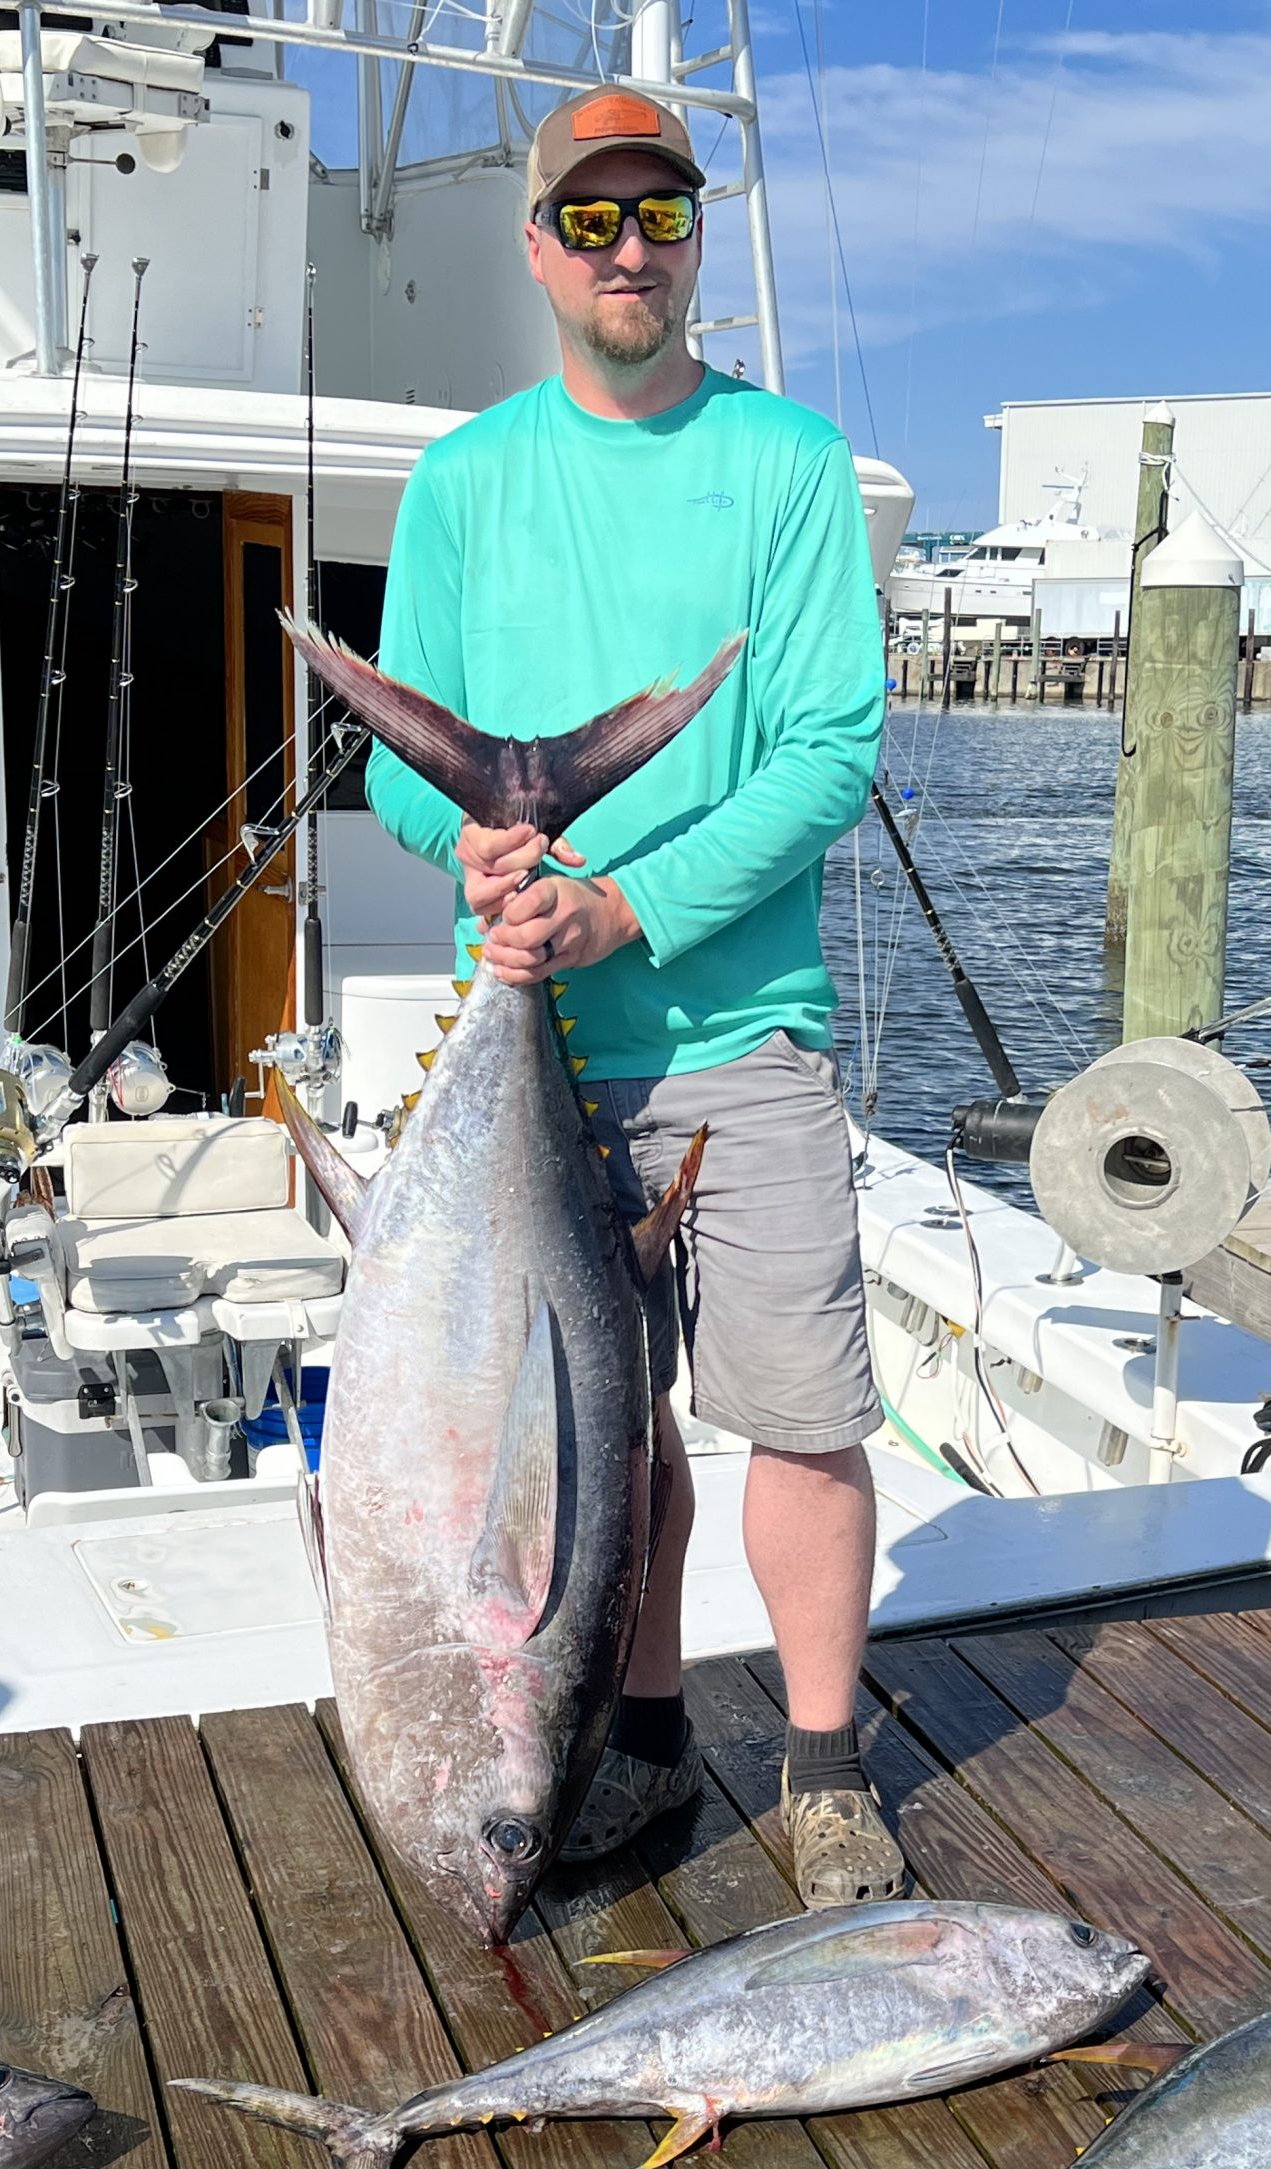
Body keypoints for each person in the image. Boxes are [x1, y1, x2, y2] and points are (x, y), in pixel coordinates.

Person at [364, 82, 905, 1909]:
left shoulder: (791, 466)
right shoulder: (463, 481)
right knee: (605, 1432)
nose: (628, 250)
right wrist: (475, 848)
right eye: (589, 219)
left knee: (804, 1410)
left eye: (658, 214)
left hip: (739, 1035)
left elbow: (828, 750)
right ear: (537, 247)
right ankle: (651, 1736)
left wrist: (628, 906)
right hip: (535, 1044)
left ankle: (824, 1771)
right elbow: (393, 771)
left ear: (694, 242)